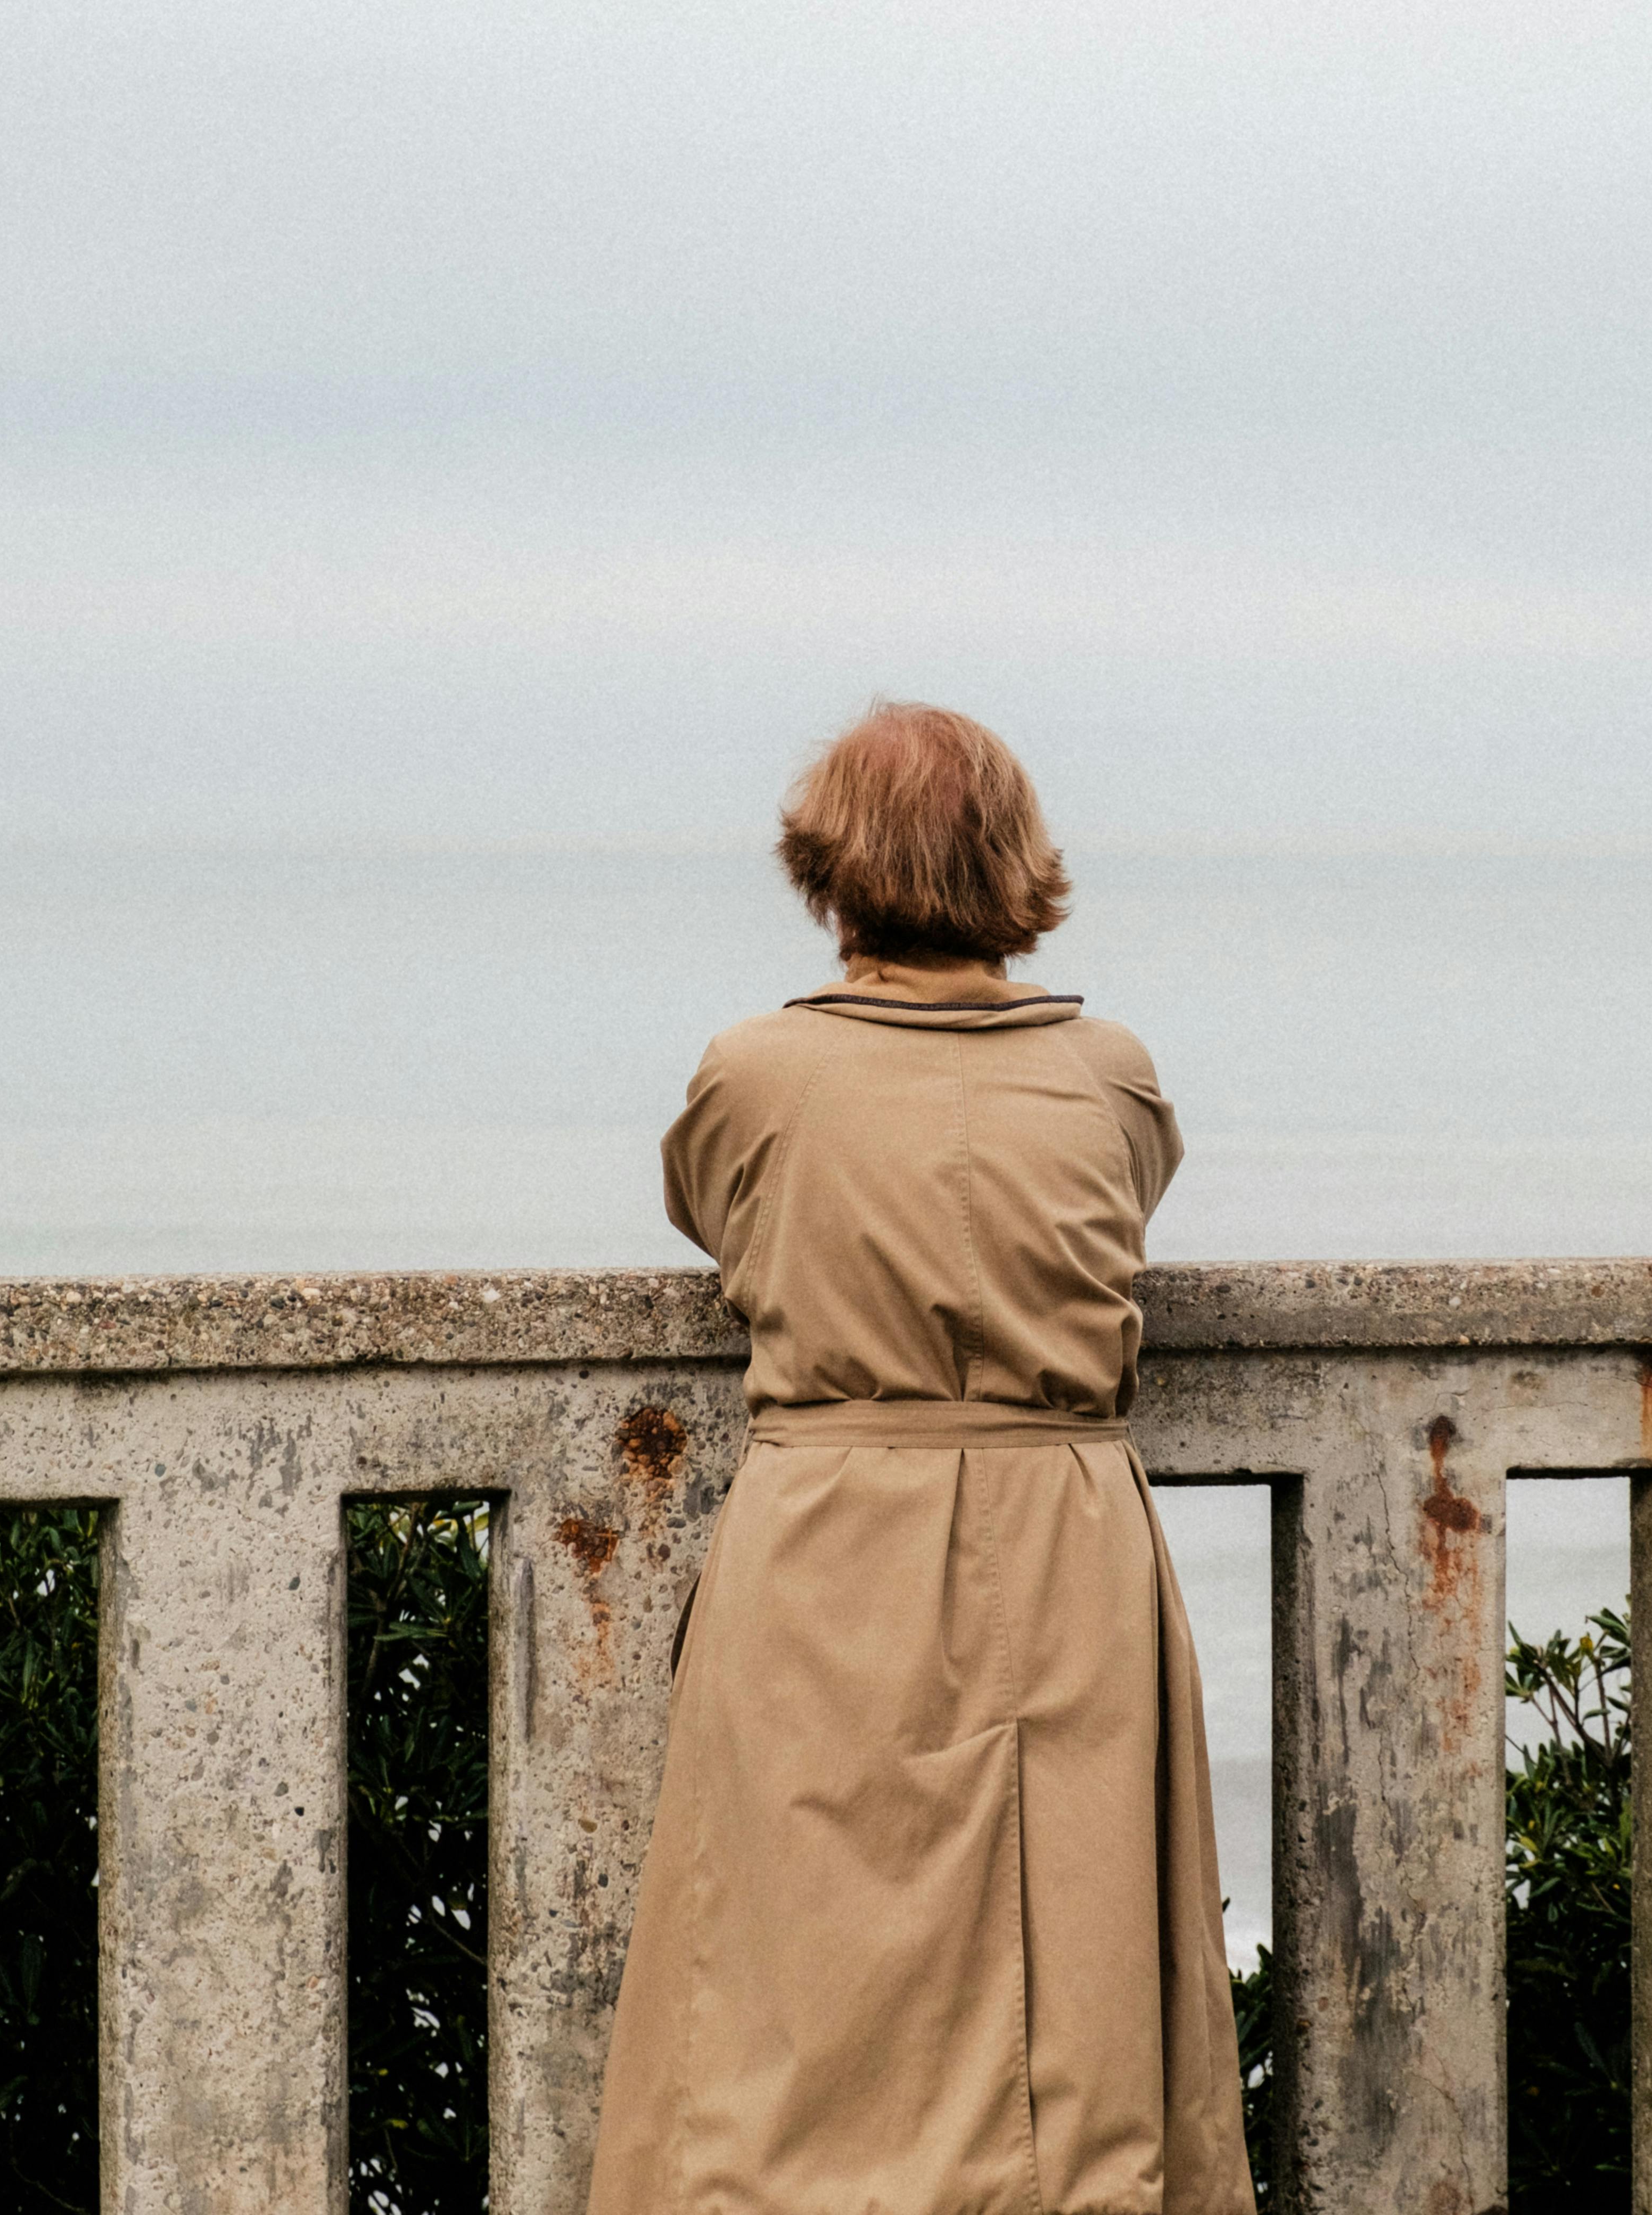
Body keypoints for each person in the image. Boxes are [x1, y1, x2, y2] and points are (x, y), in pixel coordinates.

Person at [586, 703, 1254, 2215]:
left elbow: (714, 1214)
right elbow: (1132, 1203)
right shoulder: (1110, 1076)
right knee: (1068, 2003)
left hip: (826, 1546)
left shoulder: (756, 1077)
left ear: (831, 868)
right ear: (1013, 863)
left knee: (780, 1994)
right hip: (1062, 1550)